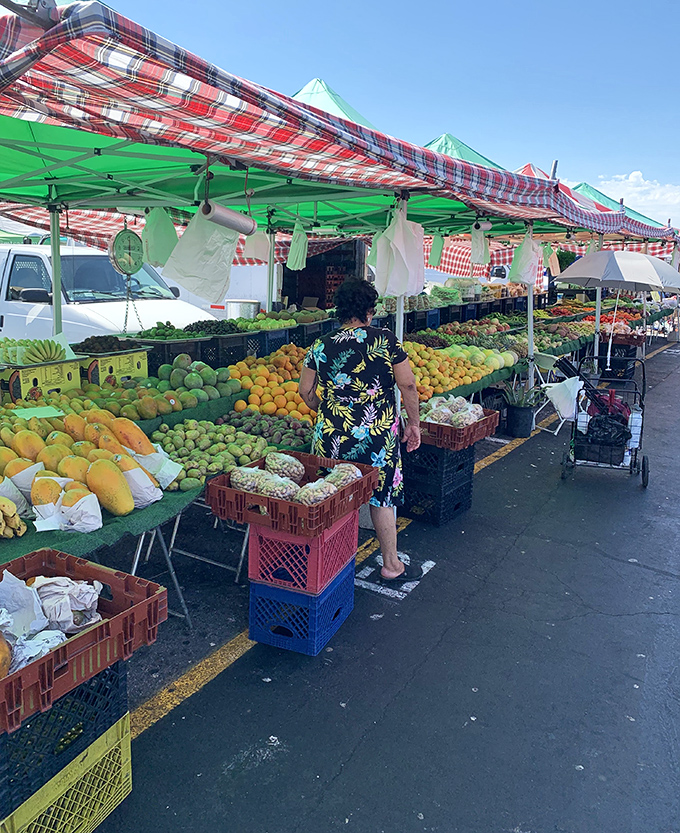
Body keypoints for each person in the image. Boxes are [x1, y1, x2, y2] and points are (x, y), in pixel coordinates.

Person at [299, 279, 422, 582]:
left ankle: (329, 566)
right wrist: (415, 424)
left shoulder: (321, 344)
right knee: (382, 497)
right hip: (377, 436)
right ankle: (391, 564)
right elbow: (407, 385)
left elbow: (305, 391)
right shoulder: (386, 340)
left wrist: (328, 412)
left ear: (339, 310)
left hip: (332, 436)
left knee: (331, 498)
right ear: (369, 310)